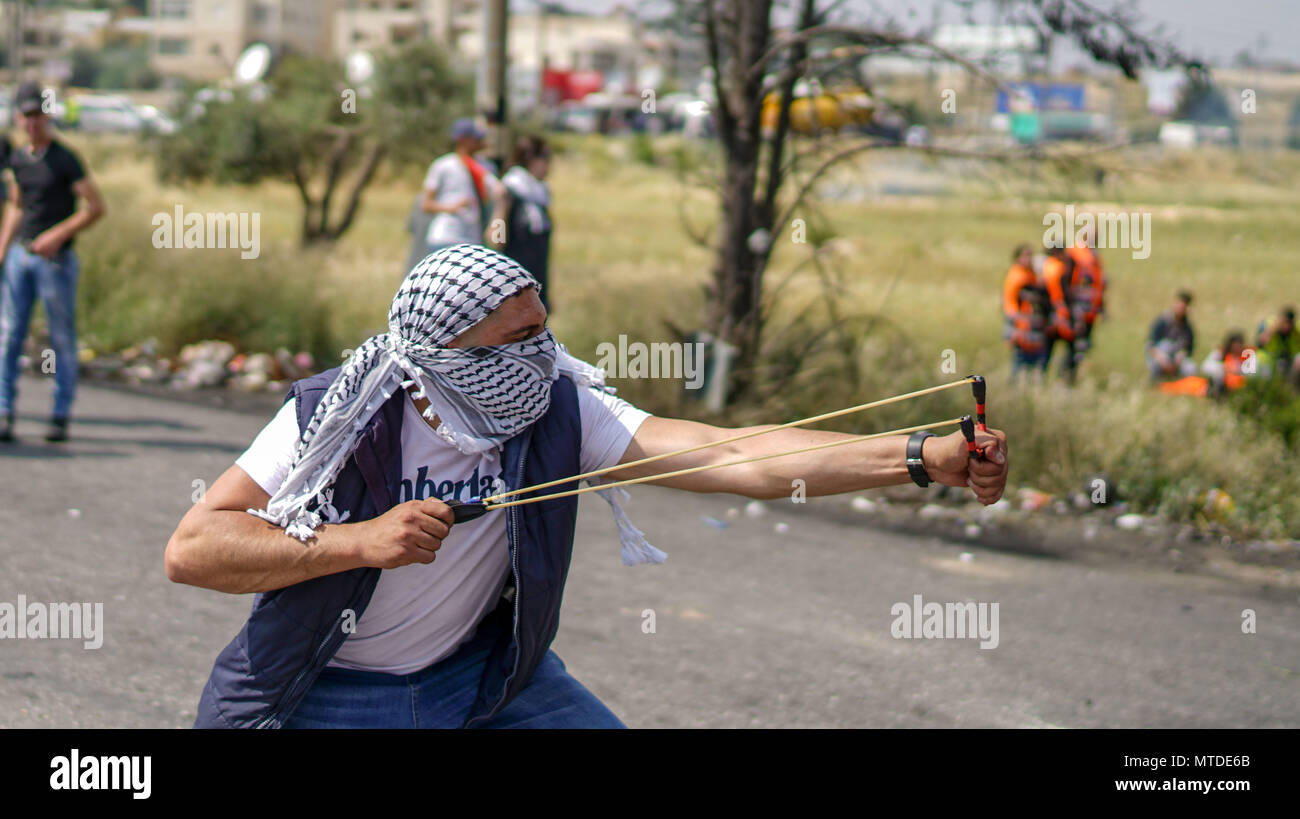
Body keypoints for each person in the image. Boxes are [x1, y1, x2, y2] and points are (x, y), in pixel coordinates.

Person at [166, 245, 1009, 729]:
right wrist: (356, 540)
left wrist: (917, 456)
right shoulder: (337, 414)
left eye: (545, 326)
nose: (545, 348)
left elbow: (732, 456)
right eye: (519, 336)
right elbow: (193, 548)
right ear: (446, 354)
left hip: (483, 679)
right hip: (323, 695)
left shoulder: (559, 407)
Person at [0, 81, 106, 443]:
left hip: (55, 260)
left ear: (46, 117)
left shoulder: (64, 159)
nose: (32, 123)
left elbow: (95, 207)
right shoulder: (18, 158)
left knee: (60, 338)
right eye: (26, 116)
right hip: (21, 257)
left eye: (37, 115)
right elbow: (17, 204)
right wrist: (3, 247)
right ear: (18, 118)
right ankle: (5, 411)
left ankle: (60, 414)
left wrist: (57, 236)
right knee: (10, 335)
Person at [418, 118, 503, 257]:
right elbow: (426, 204)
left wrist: (498, 235)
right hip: (445, 237)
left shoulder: (486, 168)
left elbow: (498, 200)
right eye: (475, 138)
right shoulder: (443, 165)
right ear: (463, 140)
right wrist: (452, 207)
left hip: (473, 241)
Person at [490, 135, 553, 310]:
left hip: (536, 282)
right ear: (532, 160)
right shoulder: (511, 188)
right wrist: (501, 208)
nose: (549, 165)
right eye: (546, 158)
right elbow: (496, 240)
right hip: (514, 284)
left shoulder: (540, 194)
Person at [1002, 243, 1047, 379]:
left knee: (1032, 365)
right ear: (1017, 258)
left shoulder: (1030, 275)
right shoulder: (1016, 277)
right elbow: (1010, 306)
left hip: (1031, 330)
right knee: (1019, 365)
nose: (1029, 259)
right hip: (1021, 329)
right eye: (1025, 255)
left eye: (1030, 255)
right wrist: (1016, 329)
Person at [1041, 242, 1084, 383]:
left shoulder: (1046, 266)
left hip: (1050, 316)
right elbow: (1063, 296)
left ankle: (1041, 379)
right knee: (1070, 351)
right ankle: (1065, 380)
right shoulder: (1059, 269)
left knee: (1046, 352)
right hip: (1060, 317)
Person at [1146, 291, 1197, 384]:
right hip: (1161, 357)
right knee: (1165, 345)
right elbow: (1151, 345)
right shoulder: (1162, 321)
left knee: (1191, 369)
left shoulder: (1187, 327)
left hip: (1177, 361)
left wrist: (1179, 359)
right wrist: (1162, 361)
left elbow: (1188, 349)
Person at [1201, 331, 1256, 396]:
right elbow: (1205, 367)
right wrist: (1225, 368)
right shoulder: (1220, 353)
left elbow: (1253, 372)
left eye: (1239, 345)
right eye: (1235, 345)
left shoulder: (1248, 354)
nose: (1237, 348)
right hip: (1223, 383)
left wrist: (1239, 369)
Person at [1256, 306, 1300, 386]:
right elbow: (1260, 342)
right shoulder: (1270, 325)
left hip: (1289, 361)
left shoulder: (1296, 330)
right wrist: (1273, 329)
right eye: (1285, 323)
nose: (1286, 326)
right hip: (1270, 360)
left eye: (1289, 323)